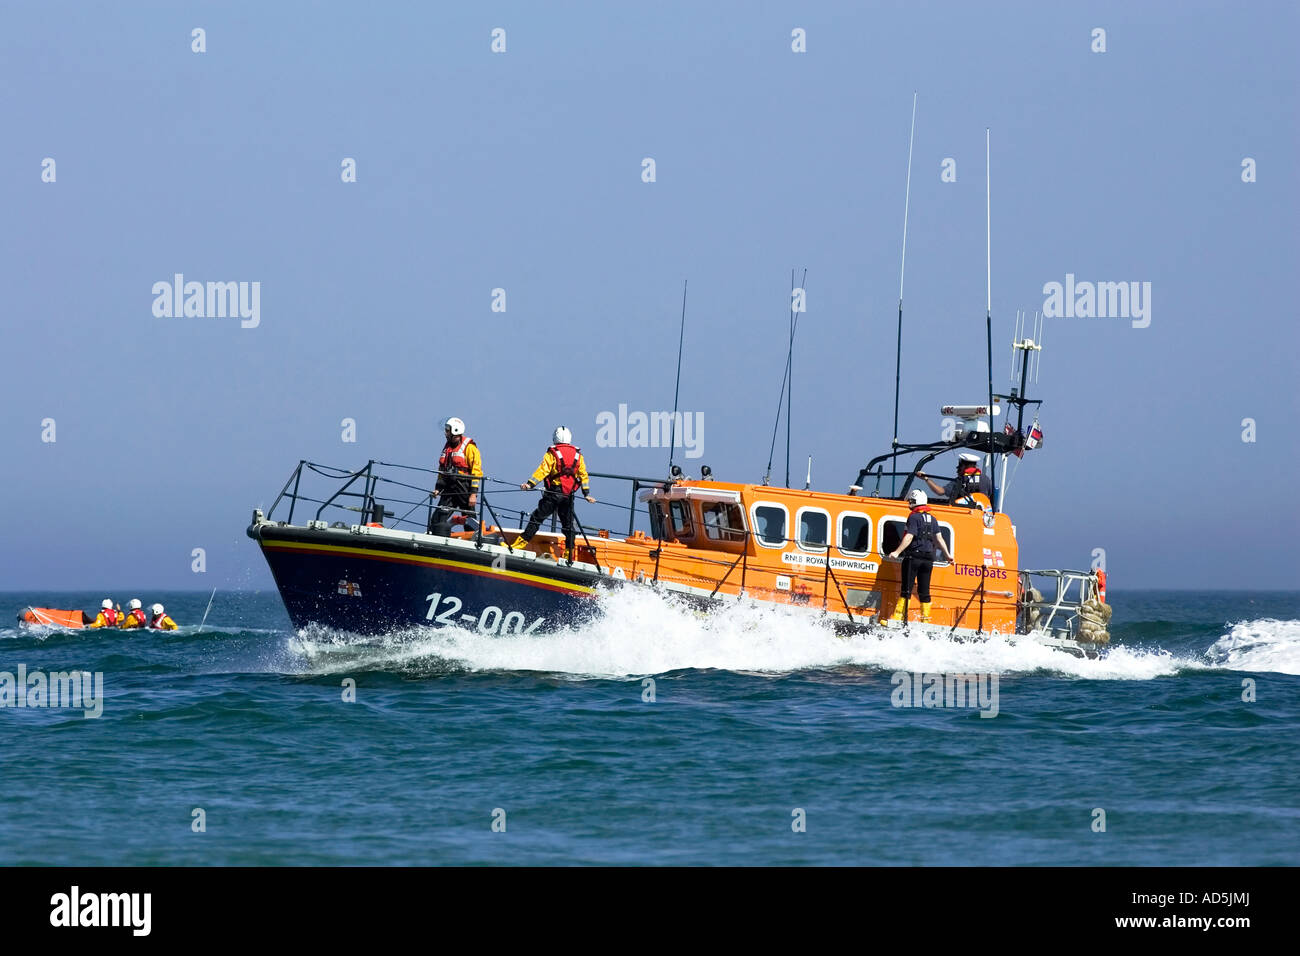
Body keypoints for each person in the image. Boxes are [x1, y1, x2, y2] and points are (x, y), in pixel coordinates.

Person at [509, 426, 596, 563]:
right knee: (568, 525)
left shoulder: (552, 453)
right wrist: (586, 494)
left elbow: (542, 470)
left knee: (536, 518)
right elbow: (583, 475)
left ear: (555, 438)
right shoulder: (578, 456)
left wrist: (530, 484)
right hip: (569, 496)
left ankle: (520, 544)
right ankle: (569, 553)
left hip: (553, 494)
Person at [887, 489, 953, 624]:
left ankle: (898, 618)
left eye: (911, 501)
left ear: (915, 502)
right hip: (928, 559)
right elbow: (939, 539)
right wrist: (948, 555)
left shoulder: (914, 517)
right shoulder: (933, 519)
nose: (909, 503)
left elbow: (909, 536)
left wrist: (897, 552)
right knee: (924, 590)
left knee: (906, 588)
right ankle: (925, 621)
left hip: (914, 557)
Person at [429, 416, 483, 535]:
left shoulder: (470, 448)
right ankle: (438, 536)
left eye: (448, 430)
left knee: (470, 519)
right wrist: (437, 489)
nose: (445, 432)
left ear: (455, 431)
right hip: (449, 488)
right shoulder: (447, 448)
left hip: (464, 488)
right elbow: (442, 469)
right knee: (437, 518)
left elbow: (476, 472)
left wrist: (473, 494)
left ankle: (476, 538)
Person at [920, 452, 992, 506]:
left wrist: (926, 479)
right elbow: (991, 498)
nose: (957, 470)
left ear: (964, 466)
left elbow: (940, 491)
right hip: (982, 516)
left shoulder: (960, 480)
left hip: (964, 514)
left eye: (959, 466)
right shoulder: (986, 479)